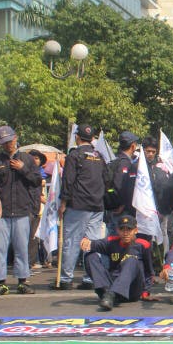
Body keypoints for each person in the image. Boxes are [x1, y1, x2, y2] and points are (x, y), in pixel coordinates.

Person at [0, 126, 41, 295]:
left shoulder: (27, 159)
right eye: (4, 142)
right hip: (1, 212)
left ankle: (22, 281)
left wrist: (23, 169)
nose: (8, 145)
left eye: (10, 141)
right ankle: (1, 282)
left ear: (16, 138)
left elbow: (37, 181)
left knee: (21, 248)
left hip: (22, 210)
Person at [55, 124, 106, 290]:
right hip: (97, 205)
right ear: (92, 139)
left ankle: (66, 279)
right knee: (92, 243)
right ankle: (91, 278)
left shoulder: (74, 155)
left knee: (72, 241)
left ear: (77, 137)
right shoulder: (99, 156)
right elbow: (107, 179)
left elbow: (68, 181)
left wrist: (63, 203)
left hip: (78, 205)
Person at [81, 214, 155, 311]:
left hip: (132, 289)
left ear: (135, 230)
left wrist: (146, 293)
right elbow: (94, 244)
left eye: (129, 229)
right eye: (122, 229)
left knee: (131, 259)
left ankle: (111, 294)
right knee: (90, 256)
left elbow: (149, 271)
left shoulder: (143, 245)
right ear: (117, 230)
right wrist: (86, 241)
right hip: (111, 285)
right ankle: (106, 292)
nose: (125, 233)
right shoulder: (111, 242)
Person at [107, 131, 139, 231]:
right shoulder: (124, 163)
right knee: (119, 235)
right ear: (133, 146)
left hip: (115, 206)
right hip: (121, 210)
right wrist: (121, 204)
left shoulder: (117, 160)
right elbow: (119, 185)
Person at [26, 149, 47, 270]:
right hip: (26, 208)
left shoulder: (41, 174)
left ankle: (31, 262)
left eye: (37, 158)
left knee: (33, 237)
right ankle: (26, 263)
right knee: (27, 236)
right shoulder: (25, 173)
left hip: (37, 209)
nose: (35, 160)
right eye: (32, 158)